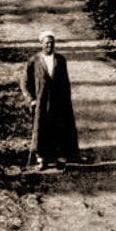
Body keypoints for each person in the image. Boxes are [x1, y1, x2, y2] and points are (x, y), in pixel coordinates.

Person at [22, 31, 79, 169]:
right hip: (41, 102)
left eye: (52, 43)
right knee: (42, 130)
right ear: (41, 44)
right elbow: (24, 82)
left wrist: (66, 100)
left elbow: (66, 82)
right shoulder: (34, 61)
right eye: (47, 43)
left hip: (58, 102)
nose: (49, 45)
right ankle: (42, 159)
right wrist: (31, 99)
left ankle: (60, 158)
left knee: (60, 129)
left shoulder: (60, 60)